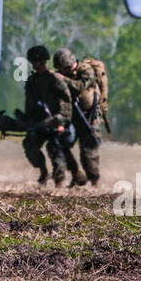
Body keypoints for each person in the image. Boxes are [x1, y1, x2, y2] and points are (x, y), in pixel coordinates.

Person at [22, 46, 85, 187]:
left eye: (38, 61)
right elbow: (30, 104)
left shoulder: (55, 79)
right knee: (30, 143)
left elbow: (66, 102)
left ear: (44, 61)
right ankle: (43, 172)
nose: (36, 64)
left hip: (57, 122)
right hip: (40, 123)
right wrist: (28, 120)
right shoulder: (32, 81)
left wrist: (61, 121)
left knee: (55, 146)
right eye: (33, 61)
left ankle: (60, 181)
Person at [55, 47, 102, 186]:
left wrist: (63, 79)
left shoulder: (86, 70)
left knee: (89, 151)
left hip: (89, 117)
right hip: (71, 116)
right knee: (61, 143)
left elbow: (81, 86)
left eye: (63, 68)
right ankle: (77, 174)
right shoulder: (61, 74)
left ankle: (94, 181)